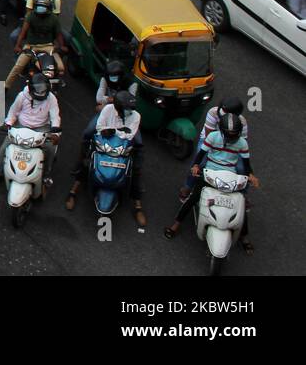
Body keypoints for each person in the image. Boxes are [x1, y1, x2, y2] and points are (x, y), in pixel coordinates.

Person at [164, 113, 258, 250]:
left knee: (240, 204)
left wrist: (251, 176)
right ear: (222, 131)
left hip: (230, 175)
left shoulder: (242, 143)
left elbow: (246, 164)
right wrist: (195, 166)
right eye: (229, 134)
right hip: (210, 172)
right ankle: (176, 225)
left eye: (234, 134)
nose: (232, 137)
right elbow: (200, 156)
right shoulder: (213, 137)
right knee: (193, 198)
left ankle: (244, 236)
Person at [65, 90, 145, 226]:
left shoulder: (135, 116)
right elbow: (100, 127)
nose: (129, 112)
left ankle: (137, 202)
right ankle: (75, 182)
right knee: (87, 137)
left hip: (118, 142)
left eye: (130, 110)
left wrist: (112, 131)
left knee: (139, 148)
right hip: (106, 139)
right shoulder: (108, 109)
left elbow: (130, 136)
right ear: (118, 107)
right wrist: (111, 131)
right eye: (126, 110)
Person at [0, 72, 60, 185]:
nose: (41, 92)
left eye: (43, 89)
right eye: (38, 90)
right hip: (21, 126)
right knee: (4, 148)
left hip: (41, 128)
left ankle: (46, 175)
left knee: (50, 149)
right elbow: (13, 112)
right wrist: (8, 123)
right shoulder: (22, 96)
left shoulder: (51, 98)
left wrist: (55, 133)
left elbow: (55, 116)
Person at [4, 0, 66, 90]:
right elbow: (23, 32)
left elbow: (58, 34)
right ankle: (5, 88)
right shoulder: (31, 16)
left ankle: (55, 85)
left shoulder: (53, 19)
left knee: (60, 68)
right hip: (31, 46)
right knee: (17, 67)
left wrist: (61, 46)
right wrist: (18, 45)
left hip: (48, 46)